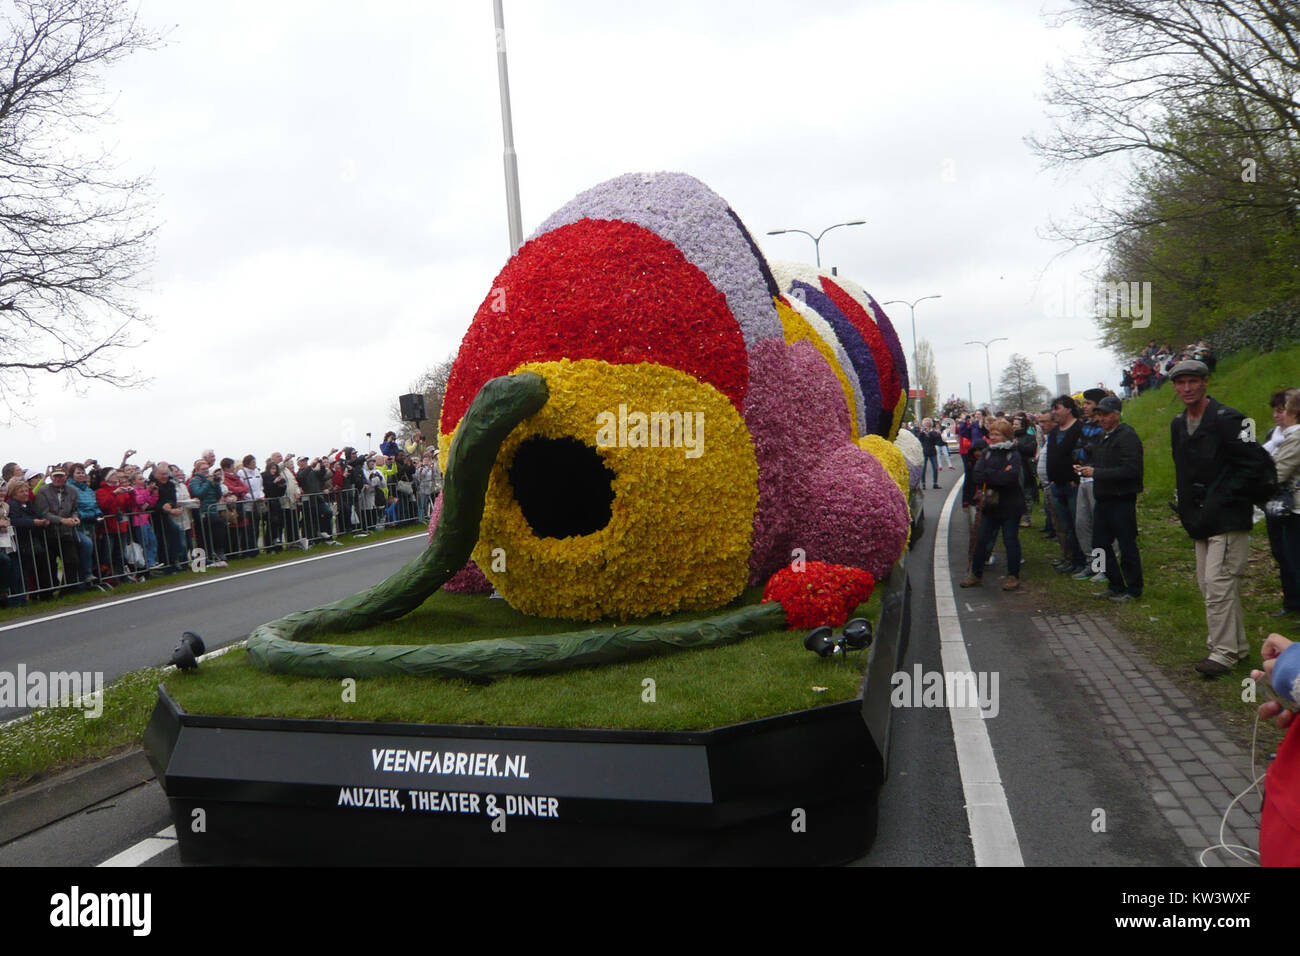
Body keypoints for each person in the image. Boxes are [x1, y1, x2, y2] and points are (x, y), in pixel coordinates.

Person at [1169, 359, 1258, 677]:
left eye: (1193, 381)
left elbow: (1254, 463)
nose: (1187, 388)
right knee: (1208, 585)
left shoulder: (1230, 419)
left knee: (1219, 583)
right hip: (1199, 518)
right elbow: (1181, 468)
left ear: (1206, 382)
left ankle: (1223, 652)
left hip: (1228, 516)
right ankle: (1237, 645)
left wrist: (1226, 497)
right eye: (1181, 383)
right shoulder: (1178, 424)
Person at [1076, 395, 1144, 602]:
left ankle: (1133, 589)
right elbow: (1098, 463)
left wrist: (1095, 473)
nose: (1101, 419)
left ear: (1117, 414)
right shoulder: (1101, 438)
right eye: (1099, 415)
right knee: (1099, 544)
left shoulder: (1127, 436)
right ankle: (1113, 583)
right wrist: (1084, 469)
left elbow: (1131, 470)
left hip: (1122, 498)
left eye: (1105, 414)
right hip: (1103, 498)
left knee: (1126, 544)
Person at [960, 419, 1025, 590]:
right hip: (990, 504)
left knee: (1010, 540)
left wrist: (991, 475)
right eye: (992, 433)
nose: (993, 437)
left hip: (1011, 505)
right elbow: (977, 475)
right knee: (982, 540)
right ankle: (976, 574)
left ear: (1006, 436)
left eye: (997, 434)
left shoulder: (1013, 453)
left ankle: (1013, 576)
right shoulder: (987, 452)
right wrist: (998, 474)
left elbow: (1011, 478)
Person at [1265, 388, 1300, 621]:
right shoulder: (1276, 436)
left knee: (1294, 558)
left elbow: (1277, 472)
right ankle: (1292, 603)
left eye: (1283, 410)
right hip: (1279, 504)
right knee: (1284, 555)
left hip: (1293, 506)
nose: (1279, 416)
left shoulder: (1295, 438)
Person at [1046, 395, 1087, 576]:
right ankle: (1072, 559)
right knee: (1066, 527)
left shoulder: (1079, 428)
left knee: (1080, 525)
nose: (1054, 412)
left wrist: (1075, 478)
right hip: (1057, 485)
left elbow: (1082, 454)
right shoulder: (1054, 432)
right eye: (1053, 408)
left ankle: (1088, 562)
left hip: (1073, 485)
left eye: (1057, 407)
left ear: (1068, 409)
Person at [919, 418, 940, 489]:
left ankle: (935, 483)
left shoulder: (933, 431)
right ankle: (923, 484)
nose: (927, 424)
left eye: (928, 423)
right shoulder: (921, 431)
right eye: (925, 423)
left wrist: (930, 433)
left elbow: (936, 439)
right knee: (923, 469)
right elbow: (919, 439)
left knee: (935, 468)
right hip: (924, 451)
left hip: (932, 451)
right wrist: (922, 432)